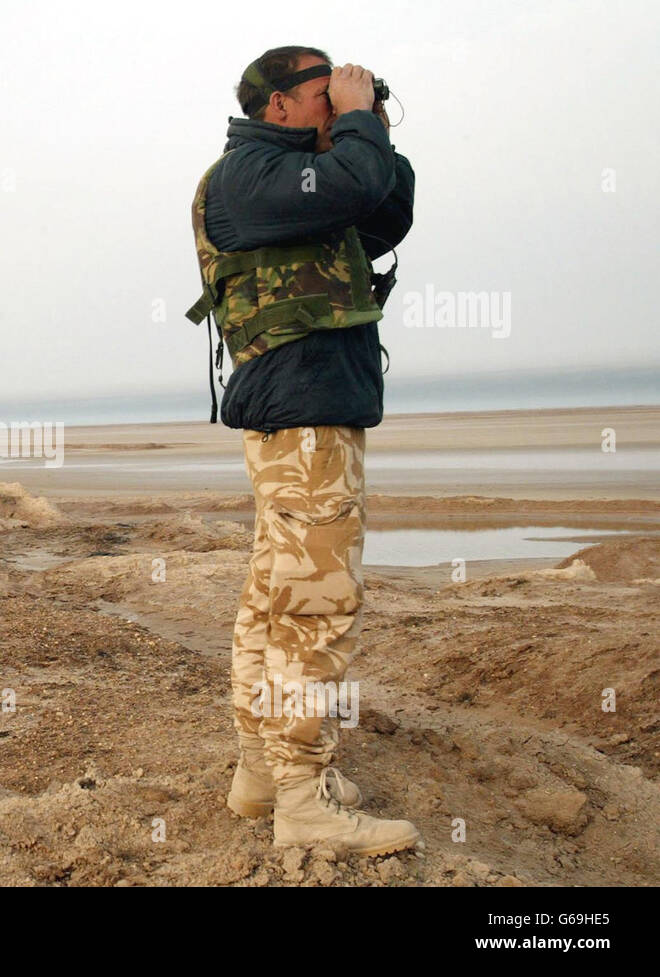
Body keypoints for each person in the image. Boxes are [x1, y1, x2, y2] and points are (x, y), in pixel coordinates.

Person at [185, 46, 419, 855]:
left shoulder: (307, 176)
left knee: (275, 598)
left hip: (310, 409)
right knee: (318, 605)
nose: (336, 106)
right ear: (278, 104)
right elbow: (357, 184)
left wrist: (367, 124)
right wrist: (352, 130)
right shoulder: (245, 178)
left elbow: (387, 208)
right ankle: (302, 797)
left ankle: (262, 773)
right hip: (304, 411)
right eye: (324, 95)